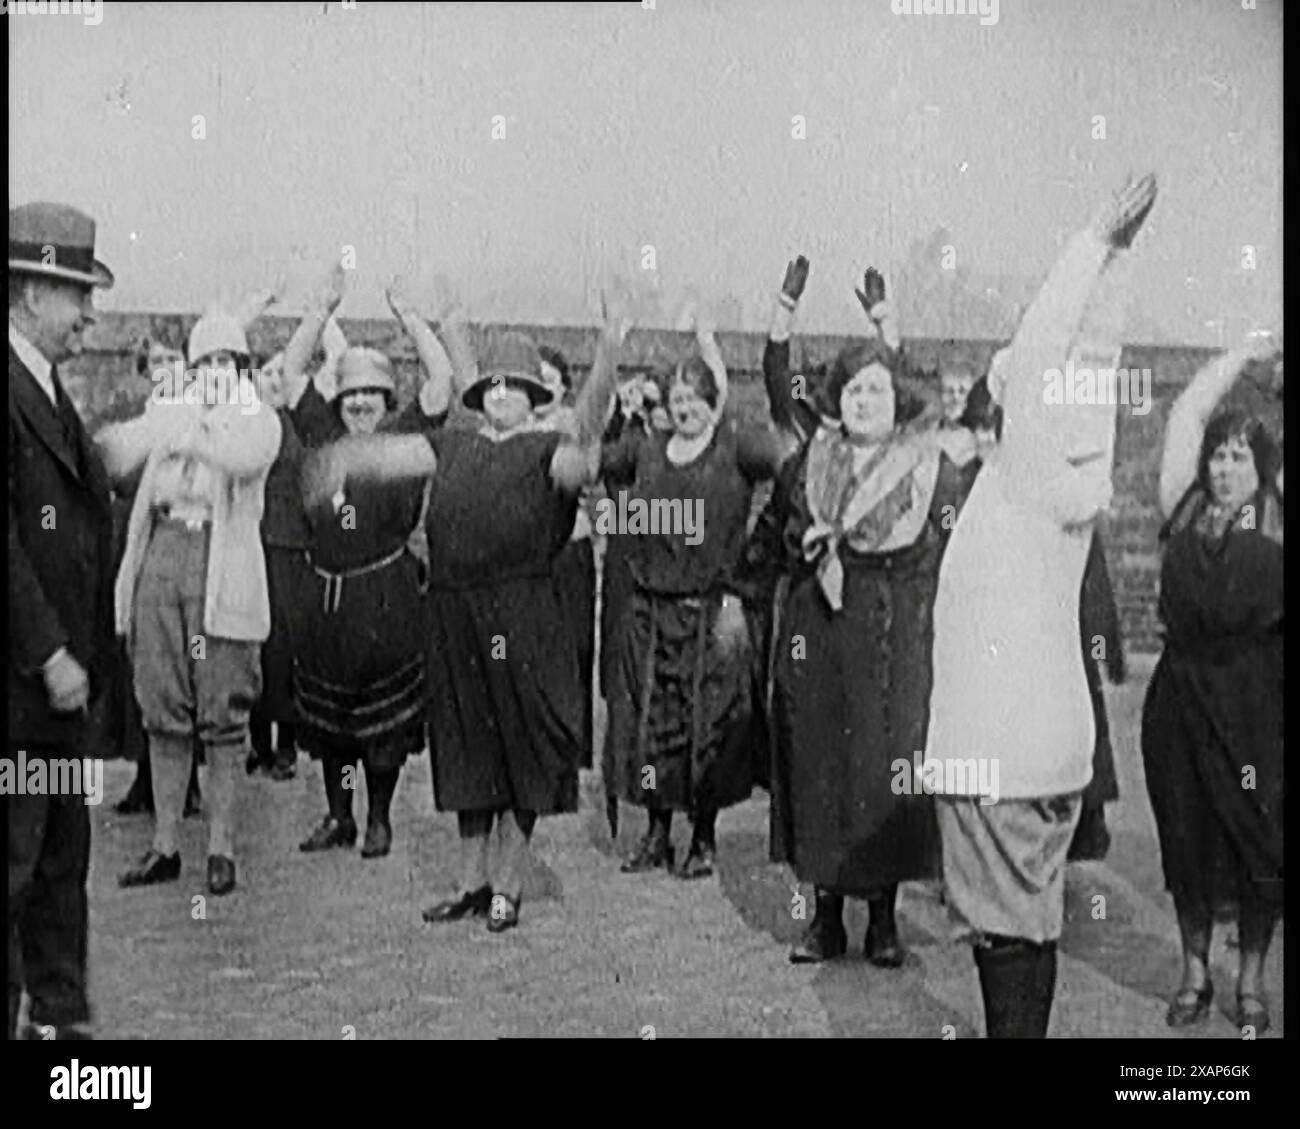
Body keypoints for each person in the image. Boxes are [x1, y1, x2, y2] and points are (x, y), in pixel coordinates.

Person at [307, 296, 626, 933]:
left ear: (535, 395)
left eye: (517, 386)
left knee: (520, 749)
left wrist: (611, 346)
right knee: (466, 749)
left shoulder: (549, 451)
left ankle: (507, 884)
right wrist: (339, 461)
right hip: (453, 616)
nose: (503, 394)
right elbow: (385, 454)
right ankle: (470, 881)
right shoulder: (450, 445)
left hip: (523, 617)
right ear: (481, 392)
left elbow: (587, 427)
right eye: (494, 384)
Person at [926, 174, 1157, 1038]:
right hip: (1035, 749)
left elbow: (1053, 340)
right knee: (1023, 925)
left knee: (1010, 933)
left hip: (1003, 753)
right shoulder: (1061, 478)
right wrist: (1117, 265)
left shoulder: (1027, 475)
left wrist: (1095, 240)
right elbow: (1087, 354)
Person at [762, 256, 971, 964]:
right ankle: (823, 917)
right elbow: (779, 388)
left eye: (875, 389)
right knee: (819, 764)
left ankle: (883, 918)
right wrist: (783, 311)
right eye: (852, 389)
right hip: (818, 631)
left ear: (896, 400)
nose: (861, 400)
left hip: (890, 632)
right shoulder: (813, 456)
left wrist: (889, 325)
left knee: (884, 767)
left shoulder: (923, 465)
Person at [104, 306, 282, 897]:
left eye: (225, 361)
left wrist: (194, 433)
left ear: (242, 366)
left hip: (218, 562)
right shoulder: (172, 412)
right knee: (164, 702)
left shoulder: (256, 417)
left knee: (221, 707)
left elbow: (244, 458)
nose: (214, 371)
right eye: (203, 362)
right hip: (164, 551)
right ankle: (165, 844)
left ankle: (222, 848)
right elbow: (125, 458)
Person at [603, 310, 783, 880]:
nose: (684, 409)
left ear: (713, 403)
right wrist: (619, 412)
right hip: (653, 612)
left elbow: (793, 467)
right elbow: (597, 466)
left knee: (710, 731)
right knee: (653, 729)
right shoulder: (649, 449)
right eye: (676, 400)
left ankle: (702, 839)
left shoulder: (734, 449)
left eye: (694, 399)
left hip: (713, 612)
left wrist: (754, 562)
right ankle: (657, 832)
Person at [1142, 331, 1282, 1033]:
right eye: (1219, 456)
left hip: (1260, 702)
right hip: (1182, 701)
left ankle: (1251, 980)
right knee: (1188, 839)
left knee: (1262, 841)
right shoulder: (1183, 504)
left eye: (1240, 457)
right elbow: (1188, 411)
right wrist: (1244, 352)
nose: (1226, 468)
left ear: (1262, 464)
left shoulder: (1281, 515)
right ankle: (1195, 969)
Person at [287, 267, 451, 859]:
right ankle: (340, 816)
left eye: (371, 395)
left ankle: (378, 817)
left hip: (386, 599)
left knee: (381, 722)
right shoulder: (323, 434)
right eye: (351, 394)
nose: (360, 404)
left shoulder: (405, 438)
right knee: (330, 719)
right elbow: (287, 374)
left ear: (386, 401)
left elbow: (443, 382)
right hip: (326, 599)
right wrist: (319, 309)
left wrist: (410, 318)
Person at [8, 201, 117, 1040]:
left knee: (56, 858)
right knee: (16, 858)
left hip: (55, 701)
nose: (88, 314)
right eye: (74, 293)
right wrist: (47, 649)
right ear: (28, 292)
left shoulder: (46, 391)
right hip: (21, 691)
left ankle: (57, 1018)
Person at [245, 311, 348, 781]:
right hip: (249, 548)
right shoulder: (244, 420)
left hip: (290, 548)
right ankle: (257, 744)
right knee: (252, 643)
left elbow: (339, 357)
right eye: (263, 372)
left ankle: (285, 745)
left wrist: (322, 309)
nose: (272, 380)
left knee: (285, 649)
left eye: (277, 372)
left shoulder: (303, 421)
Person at [112, 337, 202, 818]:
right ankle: (147, 776)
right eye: (158, 360)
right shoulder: (138, 415)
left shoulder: (196, 413)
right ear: (145, 368)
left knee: (186, 659)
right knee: (143, 662)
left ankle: (184, 781)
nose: (166, 367)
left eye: (174, 358)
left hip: (180, 542)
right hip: (138, 541)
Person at [536, 344, 597, 772]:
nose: (541, 388)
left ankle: (572, 746)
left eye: (550, 381)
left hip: (569, 552)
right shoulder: (515, 426)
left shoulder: (569, 424)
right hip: (530, 555)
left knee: (573, 647)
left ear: (563, 389)